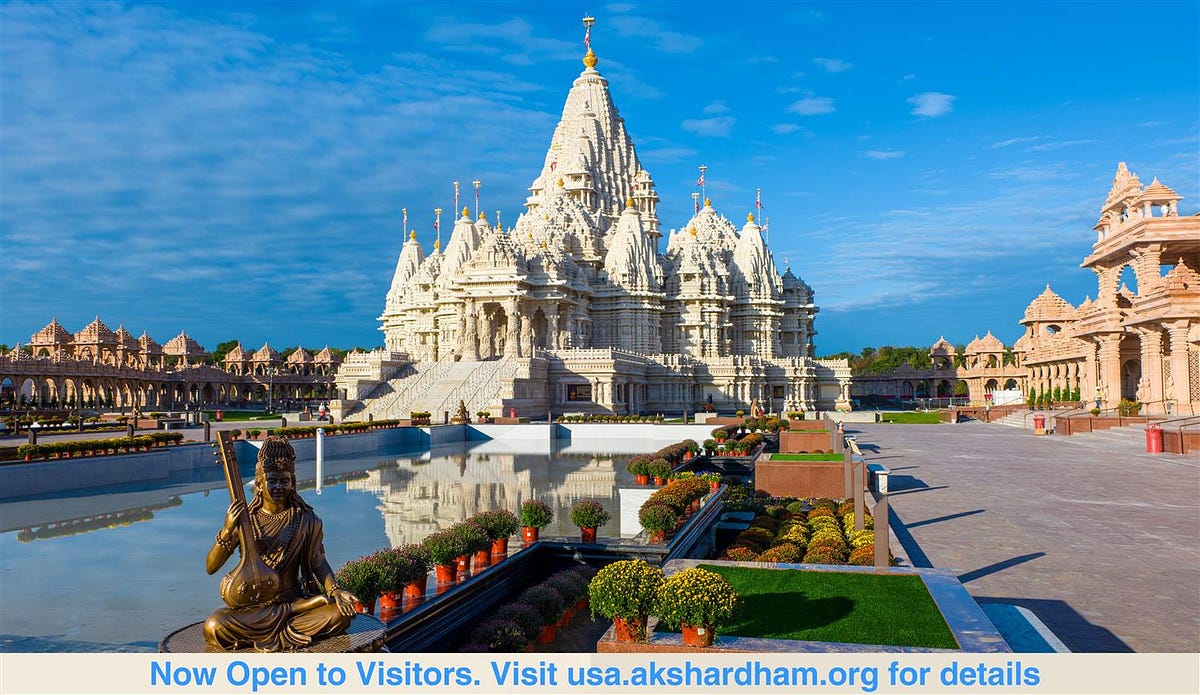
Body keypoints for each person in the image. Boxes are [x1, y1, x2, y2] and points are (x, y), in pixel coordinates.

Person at [203, 437, 357, 651]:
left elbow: (318, 562)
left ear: (293, 483)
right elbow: (211, 567)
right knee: (214, 625)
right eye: (272, 480)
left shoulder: (306, 519)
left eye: (284, 481)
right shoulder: (246, 521)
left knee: (340, 615)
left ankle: (287, 623)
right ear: (259, 484)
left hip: (295, 603)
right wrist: (228, 529)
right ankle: (283, 627)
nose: (278, 487)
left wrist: (335, 591)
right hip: (257, 610)